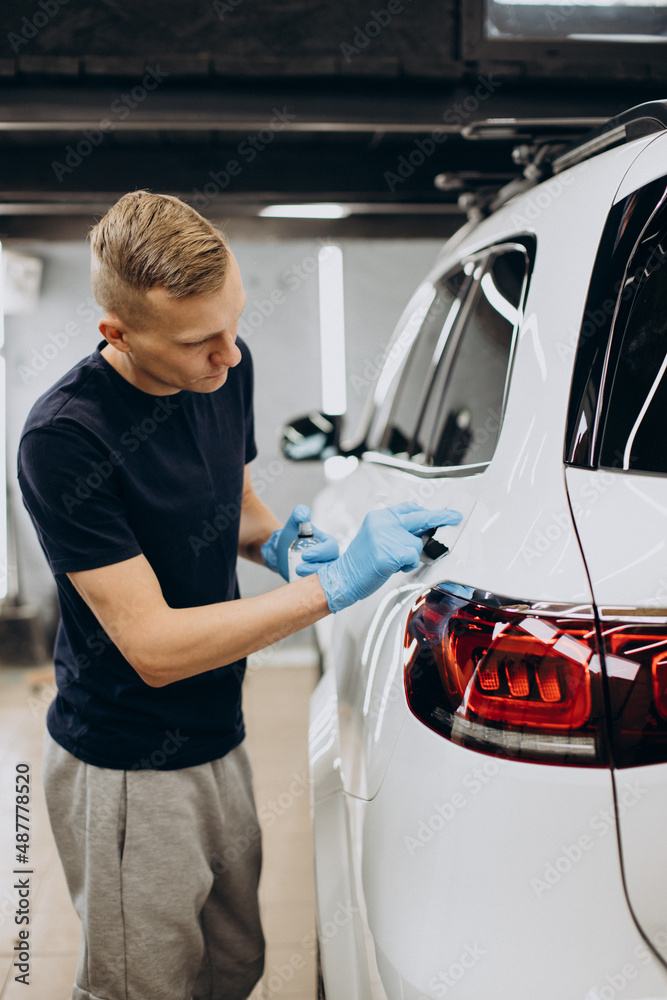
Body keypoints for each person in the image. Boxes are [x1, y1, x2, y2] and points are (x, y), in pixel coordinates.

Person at [17, 190, 461, 1000]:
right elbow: (152, 649)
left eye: (234, 324)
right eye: (197, 343)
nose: (227, 356)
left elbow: (236, 503)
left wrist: (277, 545)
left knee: (232, 965)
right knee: (145, 986)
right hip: (126, 758)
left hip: (217, 728)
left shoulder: (227, 368)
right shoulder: (66, 440)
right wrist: (332, 587)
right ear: (115, 333)